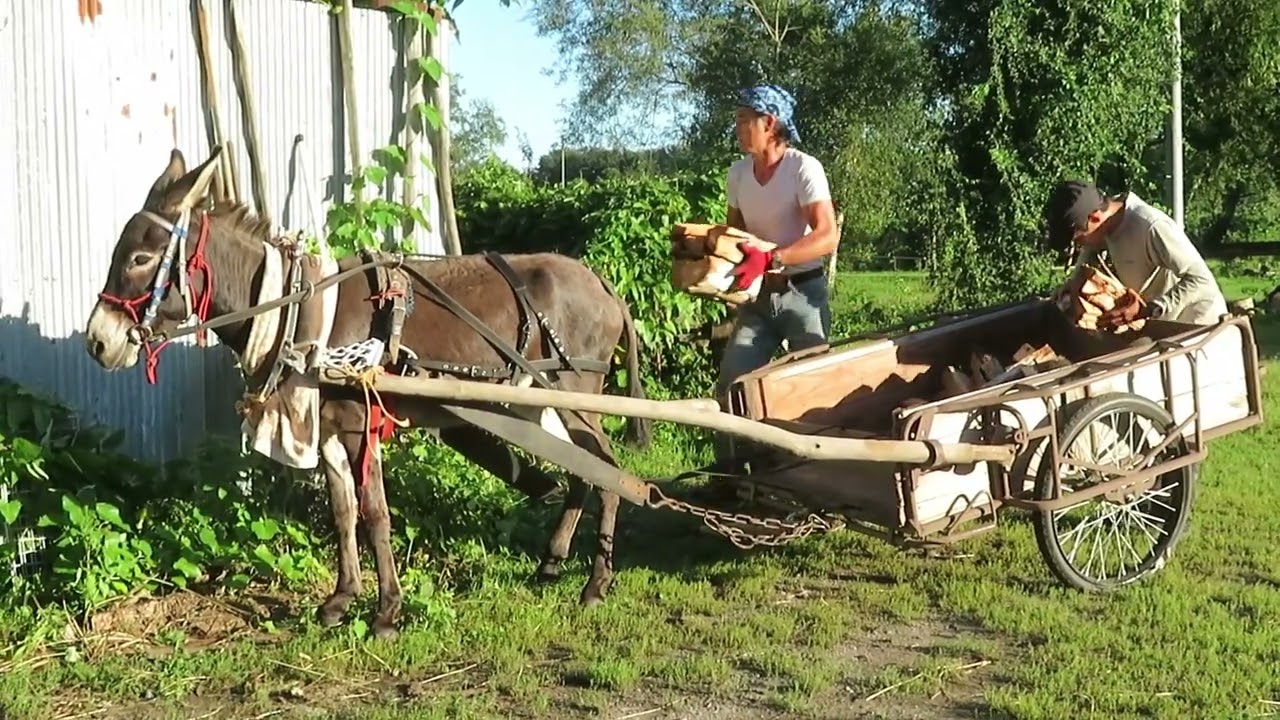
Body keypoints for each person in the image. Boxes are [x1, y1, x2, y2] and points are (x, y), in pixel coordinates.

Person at [712, 83, 840, 472]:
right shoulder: (738, 174)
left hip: (804, 296)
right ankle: (732, 478)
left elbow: (827, 235)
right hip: (759, 300)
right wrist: (711, 262)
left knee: (815, 390)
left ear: (769, 123)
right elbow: (734, 235)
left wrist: (772, 258)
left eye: (743, 120)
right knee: (731, 387)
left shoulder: (803, 168)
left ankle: (820, 478)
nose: (737, 127)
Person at [1042, 179, 1228, 329]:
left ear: (1095, 217)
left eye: (1078, 239)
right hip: (1164, 327)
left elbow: (1201, 279)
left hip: (1199, 326)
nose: (1079, 245)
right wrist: (1073, 284)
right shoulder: (1105, 224)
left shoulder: (1151, 227)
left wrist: (1148, 309)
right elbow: (1089, 254)